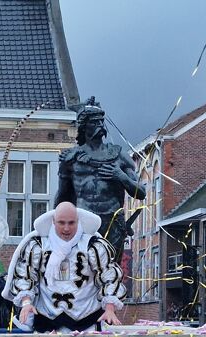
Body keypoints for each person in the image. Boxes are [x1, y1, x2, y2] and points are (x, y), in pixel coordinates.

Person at [3, 202, 126, 332]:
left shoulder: (92, 246)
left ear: (78, 222)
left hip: (86, 321)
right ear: (53, 222)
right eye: (61, 223)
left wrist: (109, 307)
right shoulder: (38, 246)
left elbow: (109, 275)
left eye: (71, 223)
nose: (66, 228)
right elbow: (25, 275)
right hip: (47, 321)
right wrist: (26, 302)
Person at [54, 97, 145, 262]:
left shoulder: (118, 156)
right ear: (84, 126)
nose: (100, 126)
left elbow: (141, 192)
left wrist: (122, 177)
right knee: (81, 269)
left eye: (101, 122)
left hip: (112, 222)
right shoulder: (72, 158)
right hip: (82, 221)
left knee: (109, 270)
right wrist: (55, 227)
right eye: (94, 122)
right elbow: (62, 196)